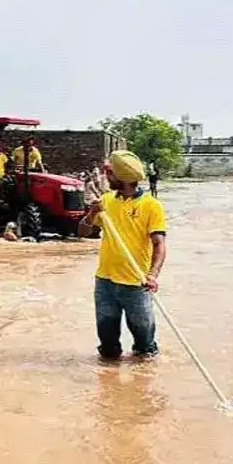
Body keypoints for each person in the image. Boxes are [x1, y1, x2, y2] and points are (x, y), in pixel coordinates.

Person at [77, 150, 167, 360]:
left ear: (123, 178)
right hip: (105, 282)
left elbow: (159, 245)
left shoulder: (150, 206)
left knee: (144, 346)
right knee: (108, 346)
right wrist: (91, 214)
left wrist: (152, 275)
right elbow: (82, 232)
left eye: (110, 175)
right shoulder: (106, 201)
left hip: (136, 283)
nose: (107, 178)